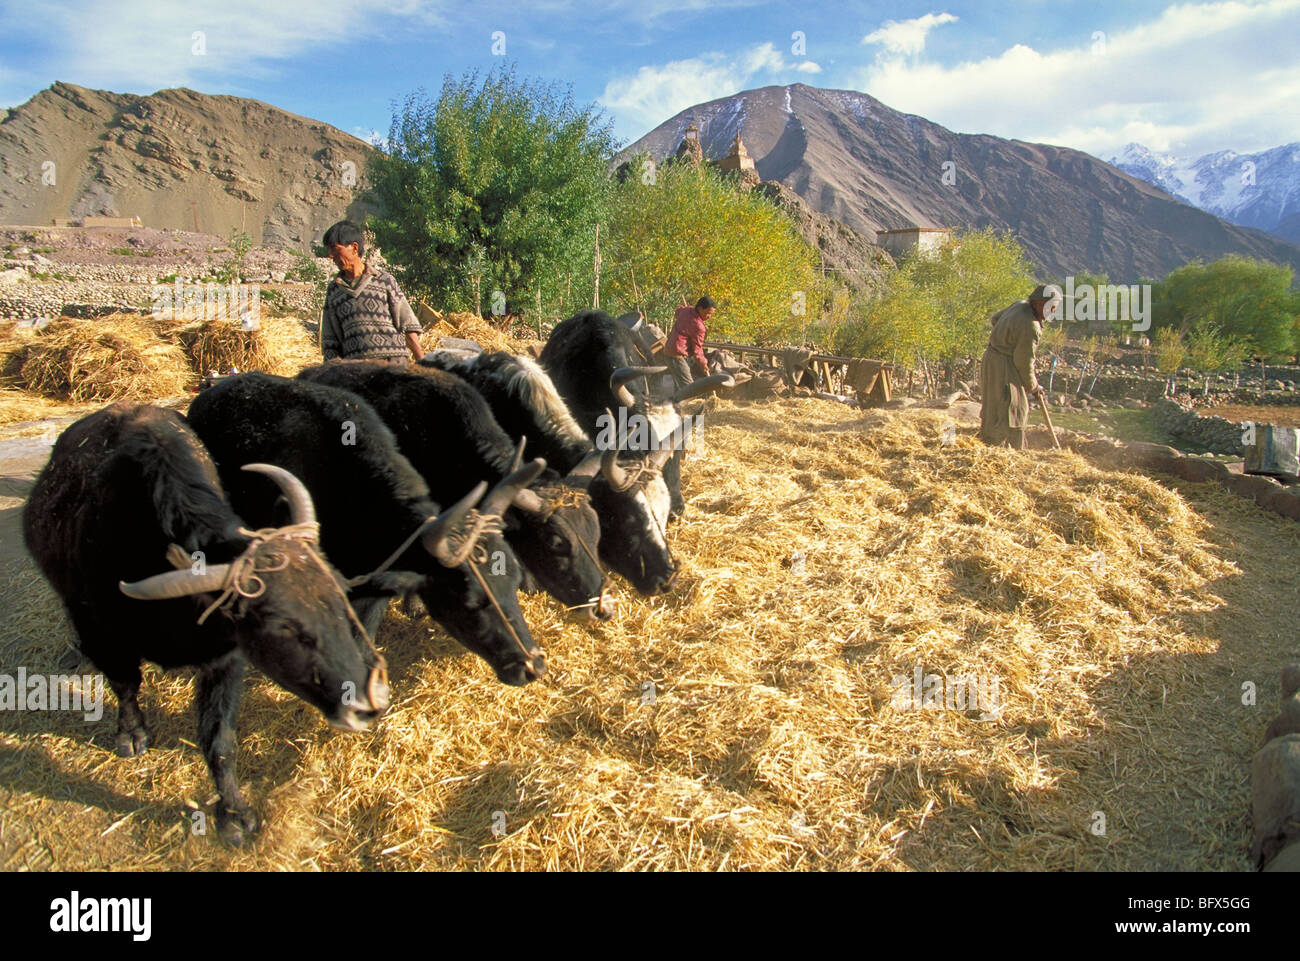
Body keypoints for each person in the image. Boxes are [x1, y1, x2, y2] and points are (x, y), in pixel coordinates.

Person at [320, 220, 423, 363]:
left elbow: (407, 324)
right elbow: (330, 341)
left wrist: (423, 363)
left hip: (393, 364)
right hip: (357, 371)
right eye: (329, 251)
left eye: (335, 249)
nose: (330, 255)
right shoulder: (334, 291)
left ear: (354, 248)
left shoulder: (385, 281)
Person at [979, 284, 1059, 449]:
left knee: (994, 405)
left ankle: (990, 443)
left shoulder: (1019, 304)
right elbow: (1024, 362)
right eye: (1051, 307)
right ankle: (1013, 450)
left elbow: (995, 319)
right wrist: (1034, 387)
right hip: (1004, 366)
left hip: (991, 358)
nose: (1052, 312)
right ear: (1039, 303)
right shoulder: (1030, 326)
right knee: (1014, 409)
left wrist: (1004, 336)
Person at [666, 296, 716, 393]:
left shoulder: (686, 310)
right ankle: (688, 407)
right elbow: (697, 350)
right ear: (700, 308)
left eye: (711, 314)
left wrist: (686, 312)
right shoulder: (699, 326)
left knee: (680, 387)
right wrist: (703, 364)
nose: (709, 316)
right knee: (689, 390)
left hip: (668, 351)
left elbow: (678, 311)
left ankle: (677, 406)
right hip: (677, 355)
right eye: (707, 313)